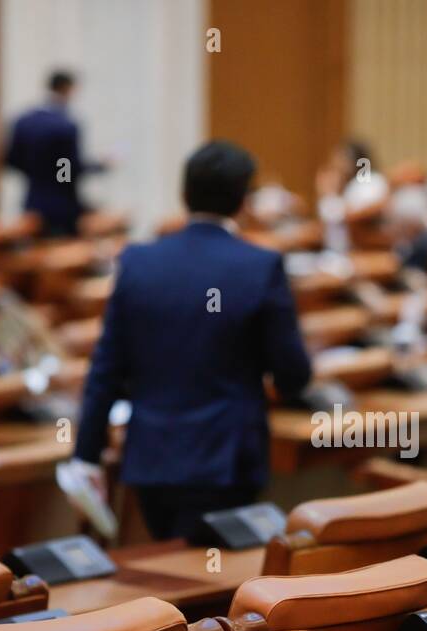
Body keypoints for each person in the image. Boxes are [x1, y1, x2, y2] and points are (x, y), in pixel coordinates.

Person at [73, 140, 312, 540]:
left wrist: (86, 455)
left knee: (172, 571)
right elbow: (293, 374)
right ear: (243, 202)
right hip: (227, 459)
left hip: (153, 460)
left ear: (183, 195)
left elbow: (106, 368)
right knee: (214, 582)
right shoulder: (260, 266)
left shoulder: (138, 262)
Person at [2, 70, 109, 236]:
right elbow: (65, 171)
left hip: (33, 200)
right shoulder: (65, 125)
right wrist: (98, 166)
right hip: (61, 206)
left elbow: (11, 160)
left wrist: (38, 174)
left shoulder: (23, 121)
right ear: (68, 89)